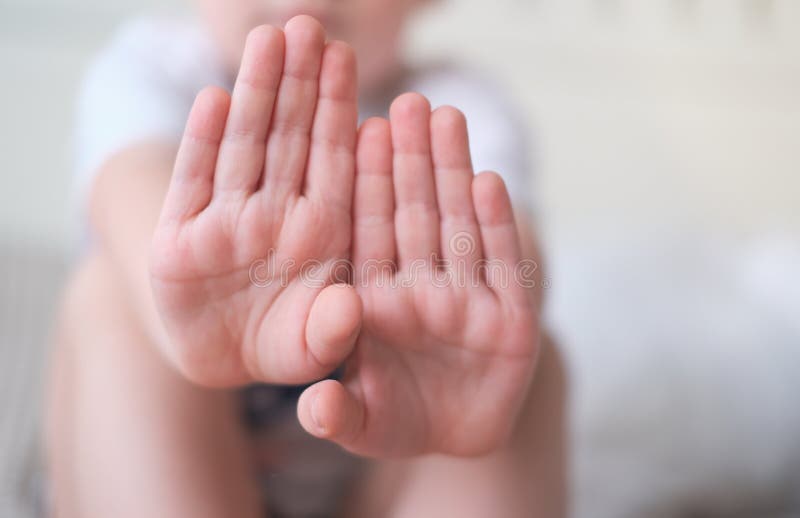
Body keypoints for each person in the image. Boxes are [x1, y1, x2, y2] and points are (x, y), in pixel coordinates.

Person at [46, 2, 567, 516]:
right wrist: (189, 313)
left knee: (519, 354)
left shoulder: (460, 102)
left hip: (375, 480)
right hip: (160, 471)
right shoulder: (155, 66)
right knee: (110, 296)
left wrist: (466, 337)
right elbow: (127, 182)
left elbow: (509, 251)